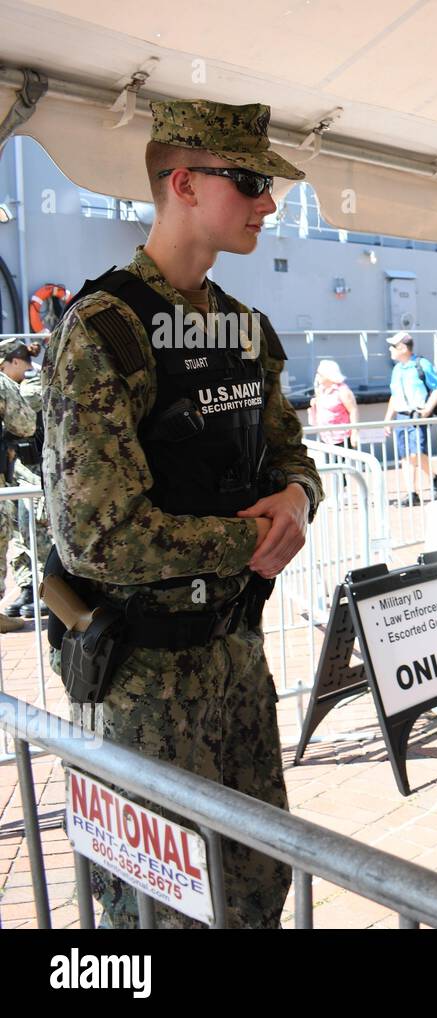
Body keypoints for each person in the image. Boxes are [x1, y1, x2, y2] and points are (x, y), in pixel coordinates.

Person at [43, 98, 322, 928]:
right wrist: (251, 538)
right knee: (163, 912)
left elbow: (290, 454)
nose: (268, 204)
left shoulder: (243, 330)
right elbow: (99, 538)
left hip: (233, 657)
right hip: (140, 683)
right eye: (251, 183)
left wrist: (301, 499)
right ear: (185, 184)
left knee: (257, 886)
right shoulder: (104, 331)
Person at [1, 340, 48, 622]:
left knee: (36, 527)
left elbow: (27, 420)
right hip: (14, 470)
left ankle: (45, 588)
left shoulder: (33, 383)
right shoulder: (11, 385)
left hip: (34, 467)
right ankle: (28, 587)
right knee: (19, 532)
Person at [382, 331, 437, 504]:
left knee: (416, 453)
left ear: (402, 348)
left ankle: (433, 476)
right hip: (401, 416)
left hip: (417, 416)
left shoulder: (422, 365)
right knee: (404, 456)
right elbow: (395, 396)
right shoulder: (397, 369)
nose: (390, 349)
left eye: (393, 346)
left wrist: (427, 410)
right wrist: (388, 419)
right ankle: (412, 493)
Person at [308, 358, 359, 448]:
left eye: (320, 374)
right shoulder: (321, 389)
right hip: (326, 438)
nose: (317, 376)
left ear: (328, 376)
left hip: (341, 438)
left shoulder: (342, 390)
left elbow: (353, 411)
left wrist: (354, 433)